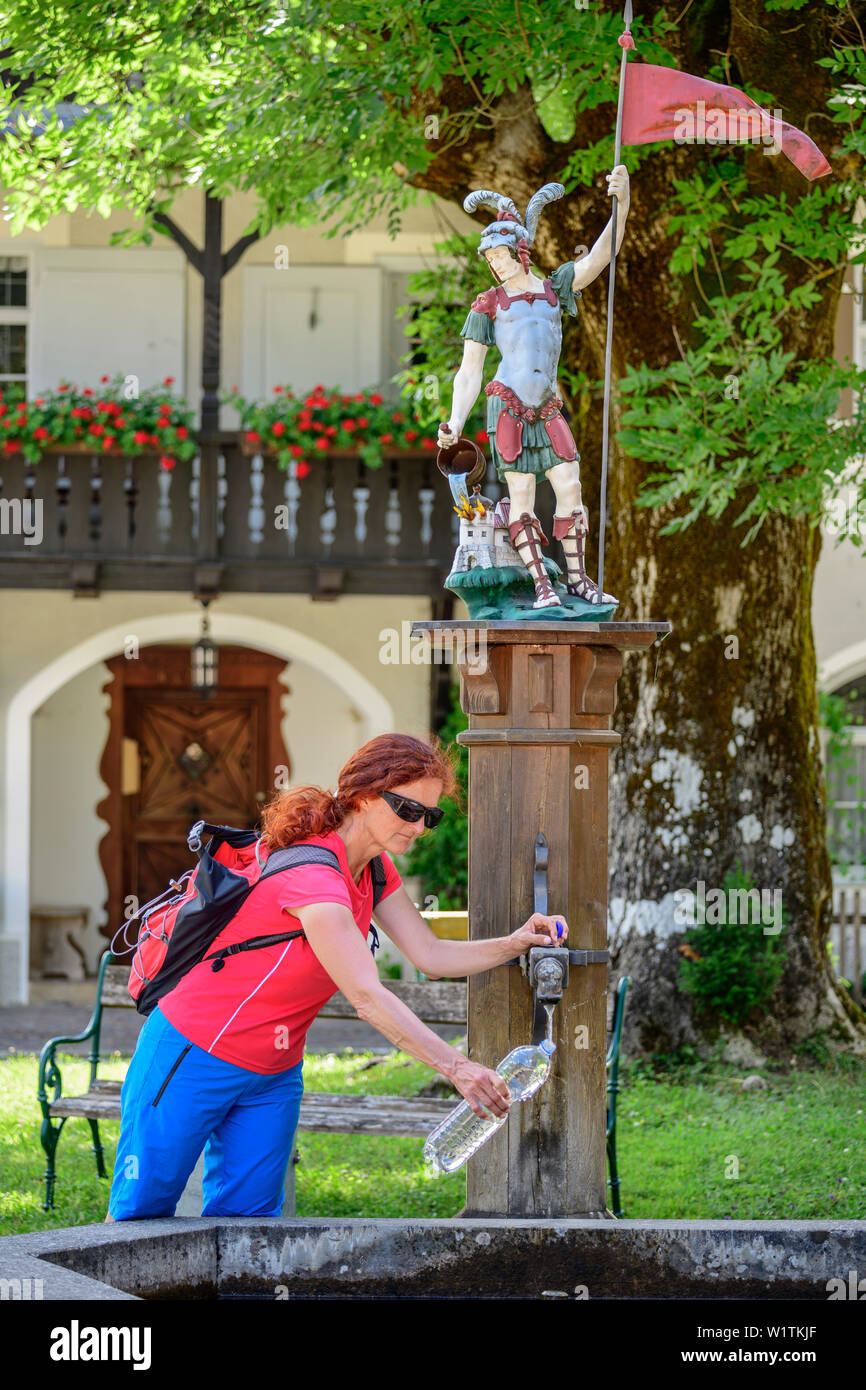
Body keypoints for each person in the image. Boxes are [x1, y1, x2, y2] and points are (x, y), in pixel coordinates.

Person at [107, 732, 567, 1219]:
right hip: (193, 1054)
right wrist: (456, 1068)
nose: (419, 827)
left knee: (251, 1228)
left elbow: (429, 954)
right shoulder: (313, 878)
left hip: (274, 1074)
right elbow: (366, 996)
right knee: (140, 1213)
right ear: (365, 796)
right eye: (408, 810)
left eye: (431, 817)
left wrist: (514, 943)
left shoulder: (375, 868)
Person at [437, 166, 630, 609]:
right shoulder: (488, 304)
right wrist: (454, 420)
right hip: (508, 406)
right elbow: (469, 371)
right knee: (521, 493)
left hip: (547, 407)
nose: (494, 264)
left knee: (570, 484)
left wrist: (622, 205)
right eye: (489, 259)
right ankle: (542, 584)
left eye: (499, 255)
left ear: (519, 251)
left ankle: (578, 579)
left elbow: (600, 257)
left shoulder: (554, 288)